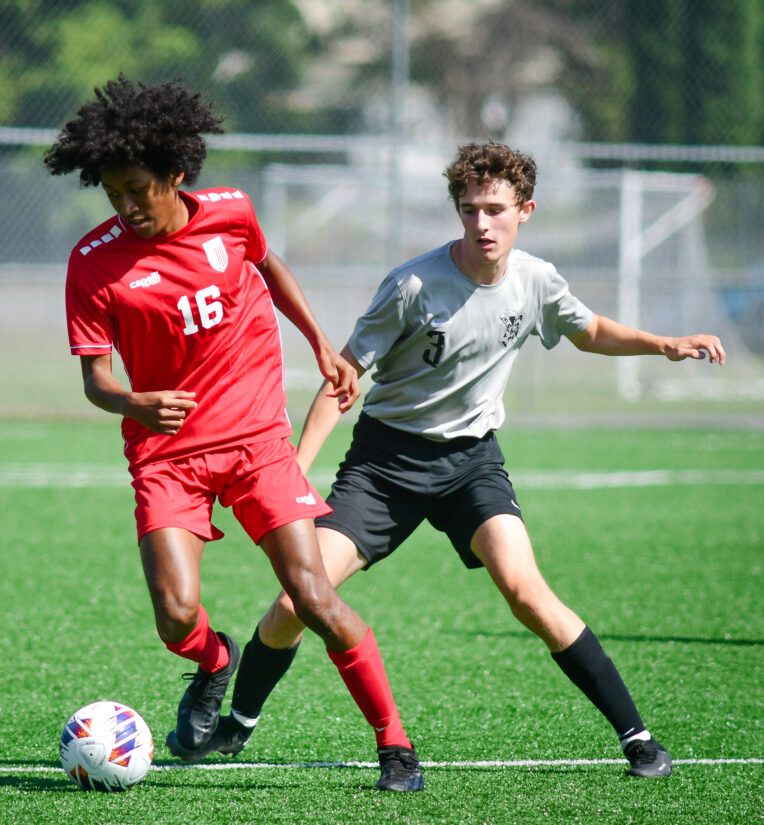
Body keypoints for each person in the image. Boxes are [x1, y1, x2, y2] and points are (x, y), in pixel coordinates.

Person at [187, 141, 726, 779]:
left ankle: (638, 739)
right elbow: (343, 378)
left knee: (528, 593)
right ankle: (237, 726)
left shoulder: (536, 279)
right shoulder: (413, 284)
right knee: (295, 602)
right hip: (384, 464)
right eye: (470, 210)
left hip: (472, 463)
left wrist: (663, 344)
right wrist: (296, 468)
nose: (482, 224)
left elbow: (589, 331)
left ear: (525, 210)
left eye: (496, 210)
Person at [44, 75, 424, 791]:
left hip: (255, 440)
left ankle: (395, 745)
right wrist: (133, 403)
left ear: (175, 175)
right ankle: (216, 661)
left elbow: (269, 266)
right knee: (175, 613)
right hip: (165, 453)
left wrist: (319, 343)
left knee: (312, 595)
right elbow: (96, 379)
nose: (125, 206)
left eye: (137, 189)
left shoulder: (230, 213)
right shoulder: (93, 264)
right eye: (112, 193)